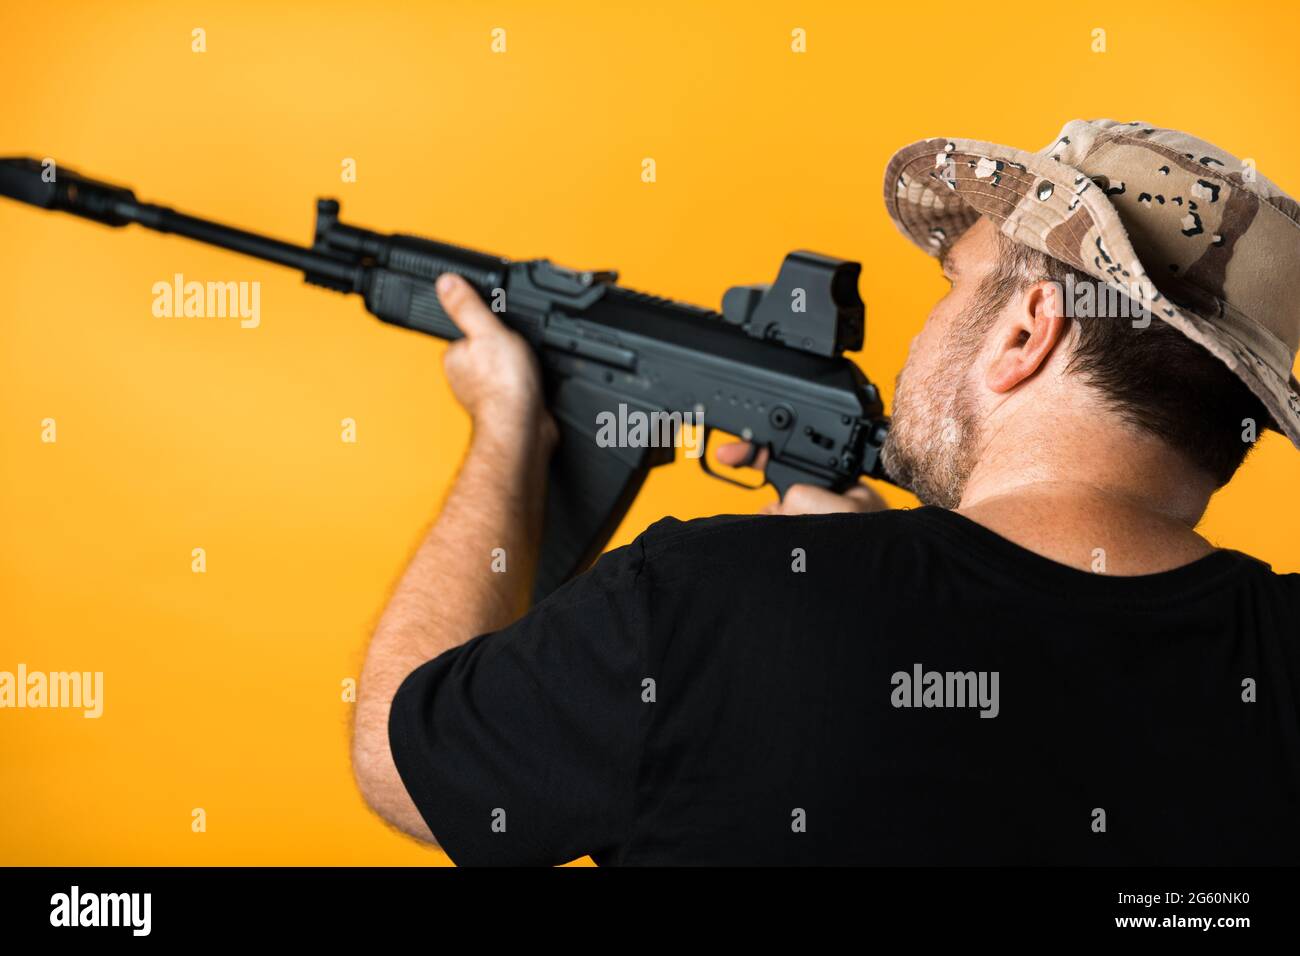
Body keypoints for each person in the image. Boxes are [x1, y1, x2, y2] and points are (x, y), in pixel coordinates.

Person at [351, 120, 1300, 865]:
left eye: (952, 285)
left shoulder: (703, 598)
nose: (924, 329)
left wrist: (505, 434)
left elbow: (402, 767)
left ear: (1026, 333)